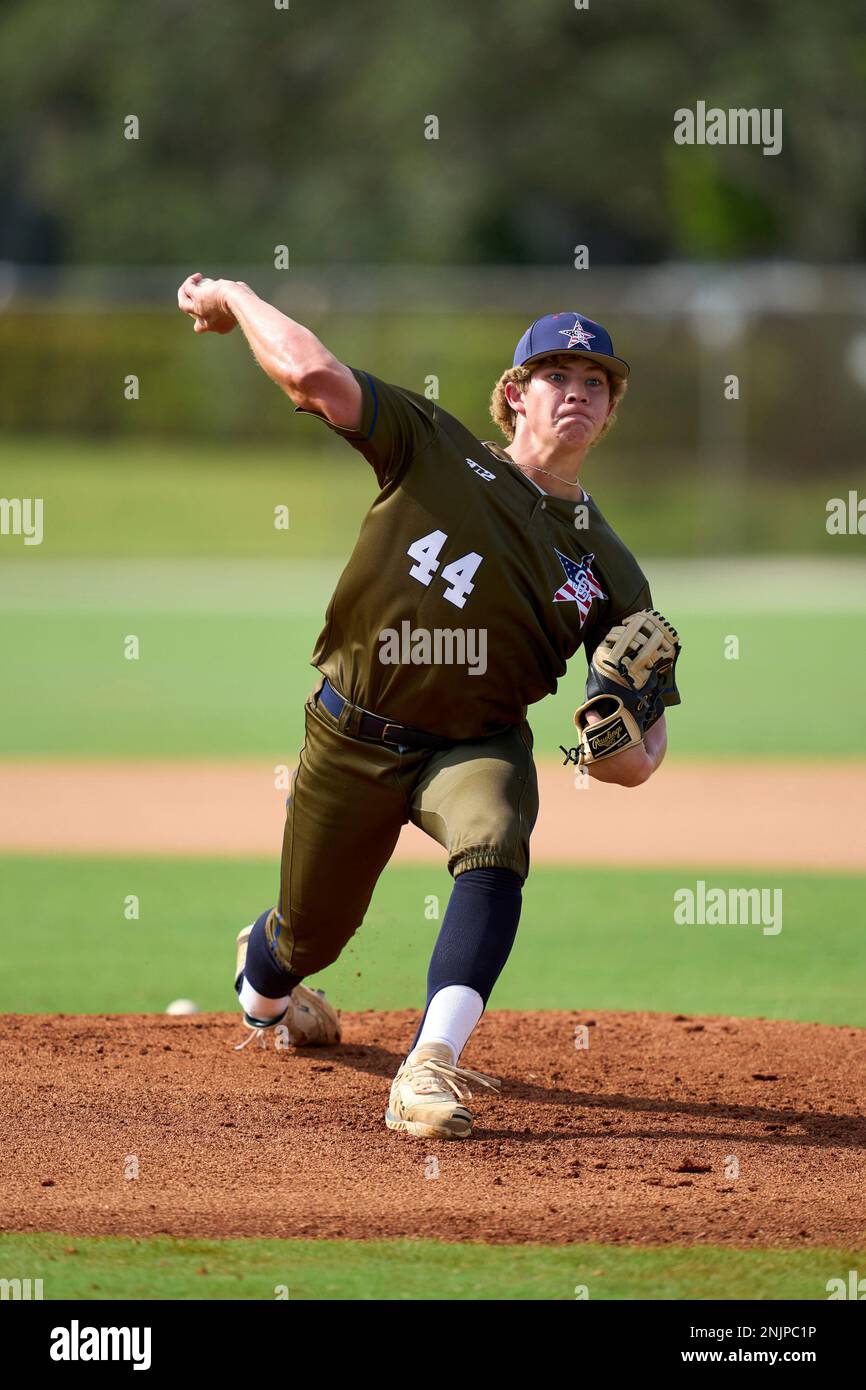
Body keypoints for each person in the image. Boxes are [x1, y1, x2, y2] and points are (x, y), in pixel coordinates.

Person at [177, 278, 670, 1139]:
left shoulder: (610, 567)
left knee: (496, 839)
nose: (580, 393)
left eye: (598, 382)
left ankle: (428, 1066)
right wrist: (235, 294)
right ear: (517, 392)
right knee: (306, 937)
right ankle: (265, 991)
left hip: (474, 745)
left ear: (610, 407)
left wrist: (610, 732)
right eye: (560, 373)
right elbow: (311, 377)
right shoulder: (434, 446)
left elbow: (640, 760)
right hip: (351, 730)